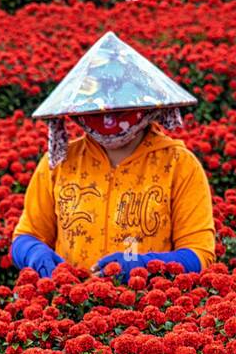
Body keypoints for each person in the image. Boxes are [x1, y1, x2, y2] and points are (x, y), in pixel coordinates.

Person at [11, 31, 216, 280]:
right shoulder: (59, 163)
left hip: (149, 313)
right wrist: (33, 252)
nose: (109, 118)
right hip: (70, 308)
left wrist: (144, 265)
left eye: (122, 108)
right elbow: (25, 235)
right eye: (98, 110)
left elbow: (200, 254)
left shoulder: (179, 165)